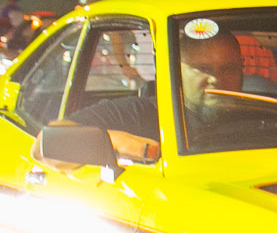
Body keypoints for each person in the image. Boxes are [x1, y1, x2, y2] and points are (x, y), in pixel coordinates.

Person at [64, 31, 246, 159]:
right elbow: (46, 144)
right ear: (176, 71)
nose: (215, 79)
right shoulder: (141, 114)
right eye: (203, 69)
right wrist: (117, 142)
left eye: (229, 69)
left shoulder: (267, 118)